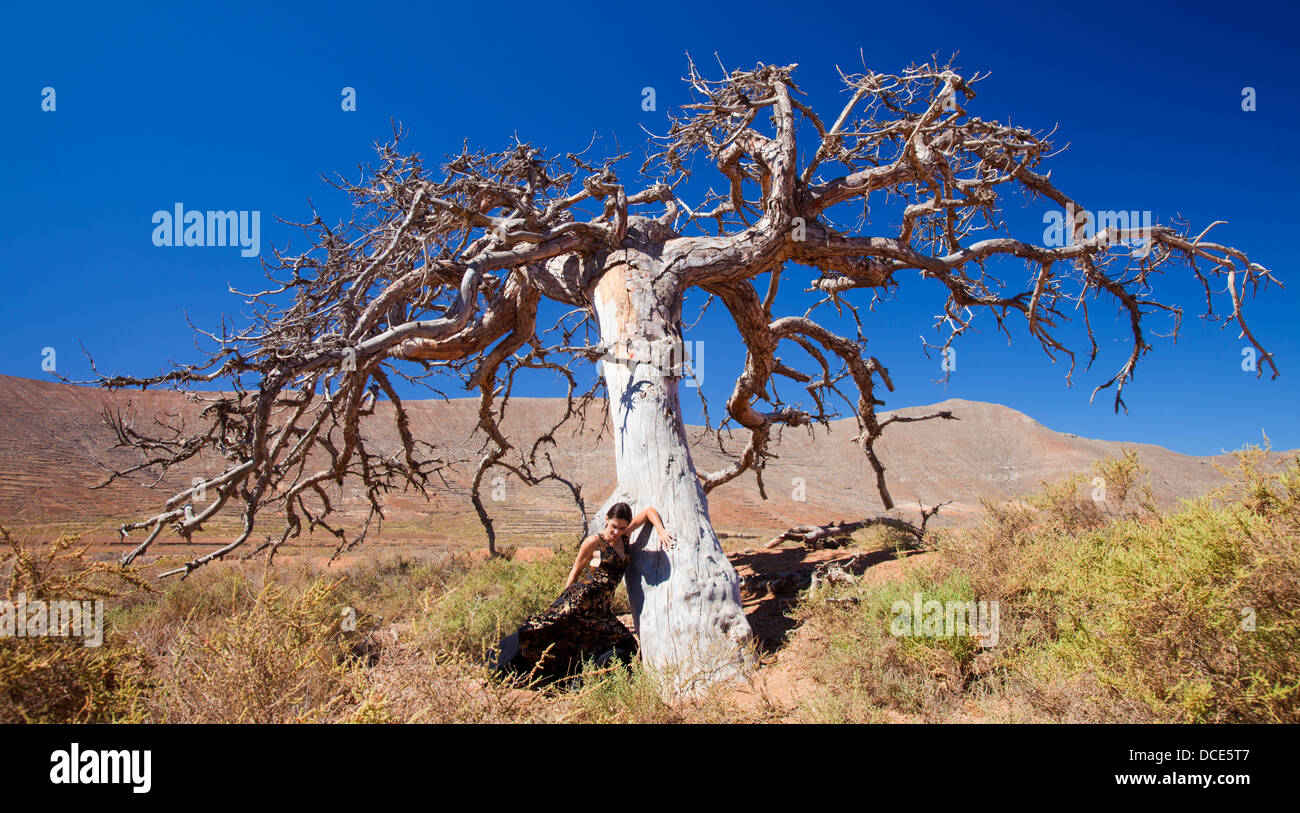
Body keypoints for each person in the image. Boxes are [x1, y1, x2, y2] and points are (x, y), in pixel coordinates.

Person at [494, 502, 675, 682]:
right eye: (613, 526)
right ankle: (498, 662)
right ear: (606, 520)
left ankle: (588, 677)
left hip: (601, 610)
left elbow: (649, 512)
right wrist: (561, 603)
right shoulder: (594, 542)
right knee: (544, 631)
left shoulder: (625, 537)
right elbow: (575, 571)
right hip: (580, 601)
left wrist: (660, 530)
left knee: (625, 644)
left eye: (621, 527)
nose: (616, 532)